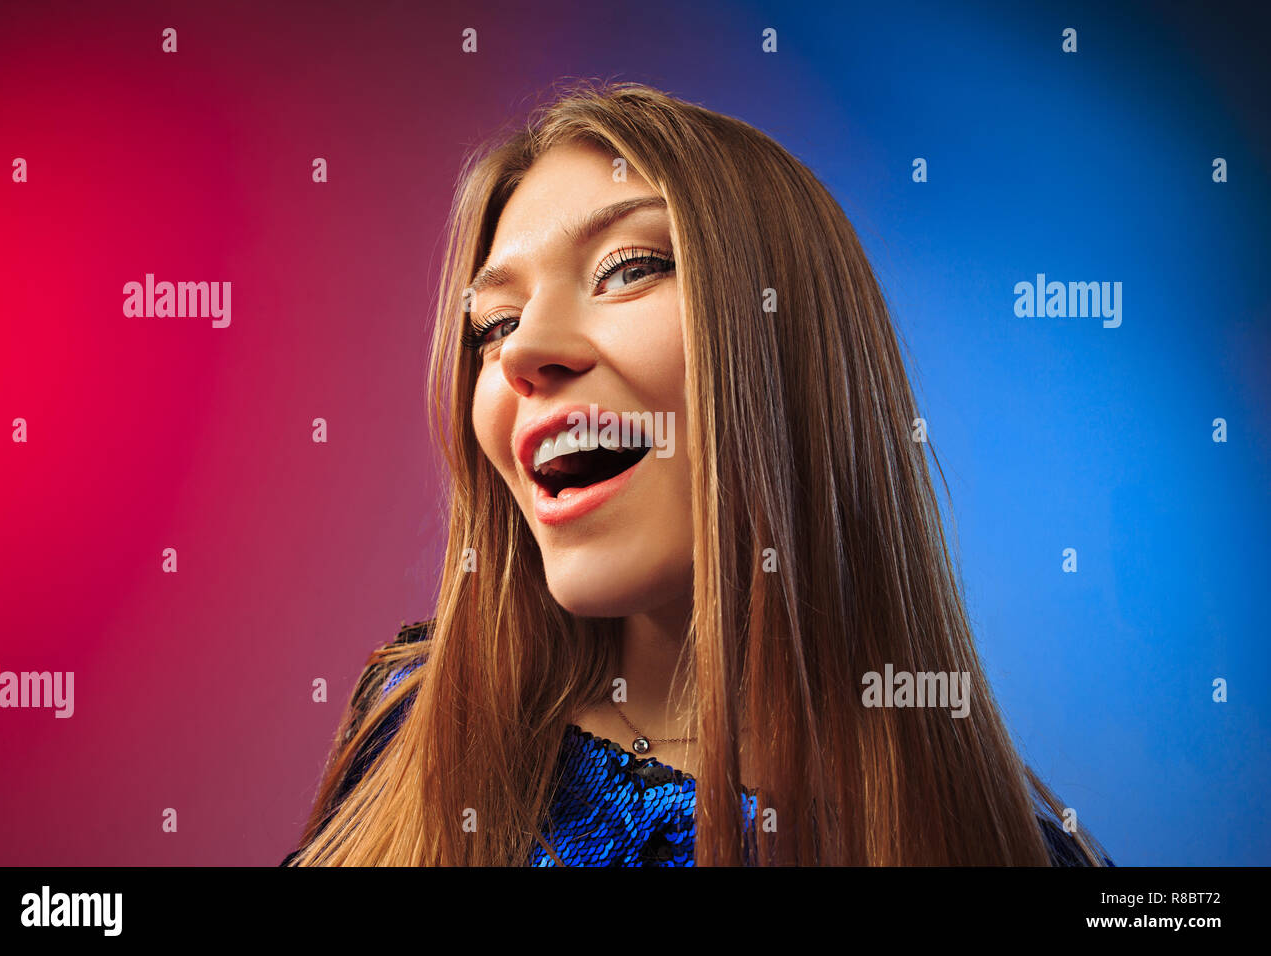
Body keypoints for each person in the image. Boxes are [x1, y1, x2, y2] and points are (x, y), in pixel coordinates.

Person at [283, 80, 1113, 866]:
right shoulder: (411, 737)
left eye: (629, 269)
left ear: (791, 342)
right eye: (494, 323)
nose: (523, 354)